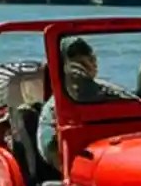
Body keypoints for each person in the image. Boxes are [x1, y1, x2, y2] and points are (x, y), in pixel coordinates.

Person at [37, 37, 99, 172]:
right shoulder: (55, 109)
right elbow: (53, 152)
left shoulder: (112, 95)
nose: (87, 66)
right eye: (78, 64)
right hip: (78, 172)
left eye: (90, 60)